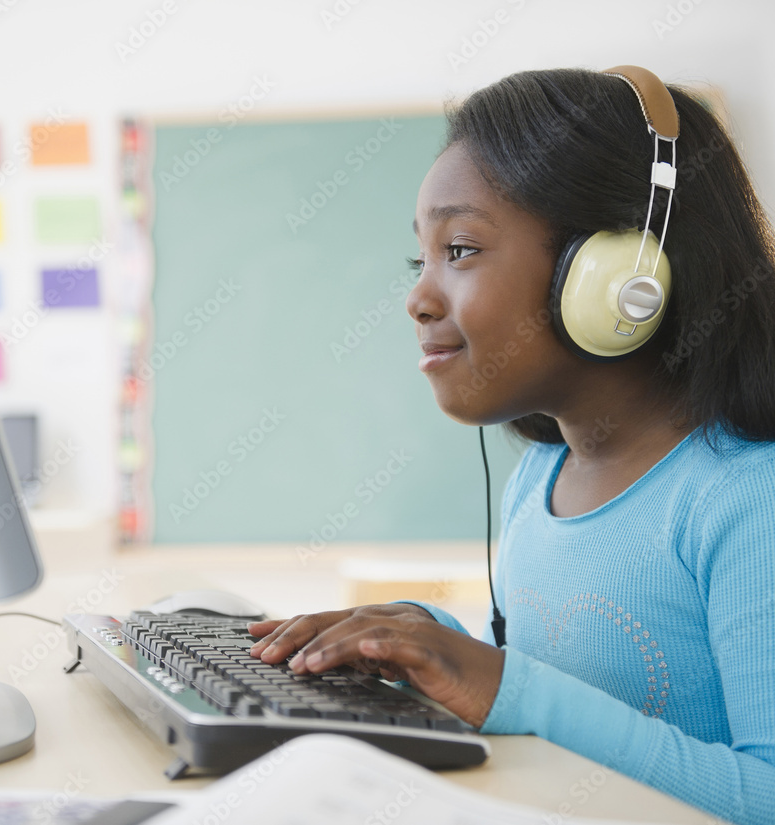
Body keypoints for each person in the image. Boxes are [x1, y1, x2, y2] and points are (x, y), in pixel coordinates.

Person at [247, 67, 775, 825]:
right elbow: (563, 694)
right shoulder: (542, 475)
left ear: (618, 277)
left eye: (460, 249)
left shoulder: (745, 498)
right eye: (421, 260)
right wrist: (426, 639)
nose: (418, 297)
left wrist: (502, 685)